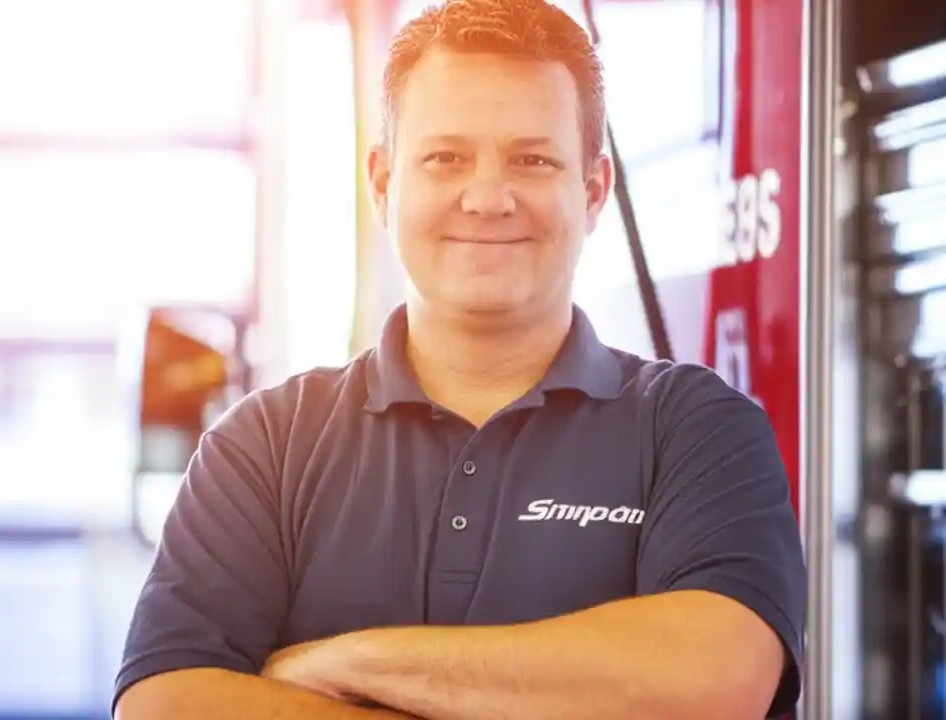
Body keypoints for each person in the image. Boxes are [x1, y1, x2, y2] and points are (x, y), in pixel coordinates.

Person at [113, 0, 806, 717]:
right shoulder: (265, 446)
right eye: (446, 158)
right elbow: (164, 705)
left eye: (531, 159)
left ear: (593, 190)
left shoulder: (698, 431)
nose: (487, 197)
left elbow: (711, 682)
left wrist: (344, 661)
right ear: (382, 184)